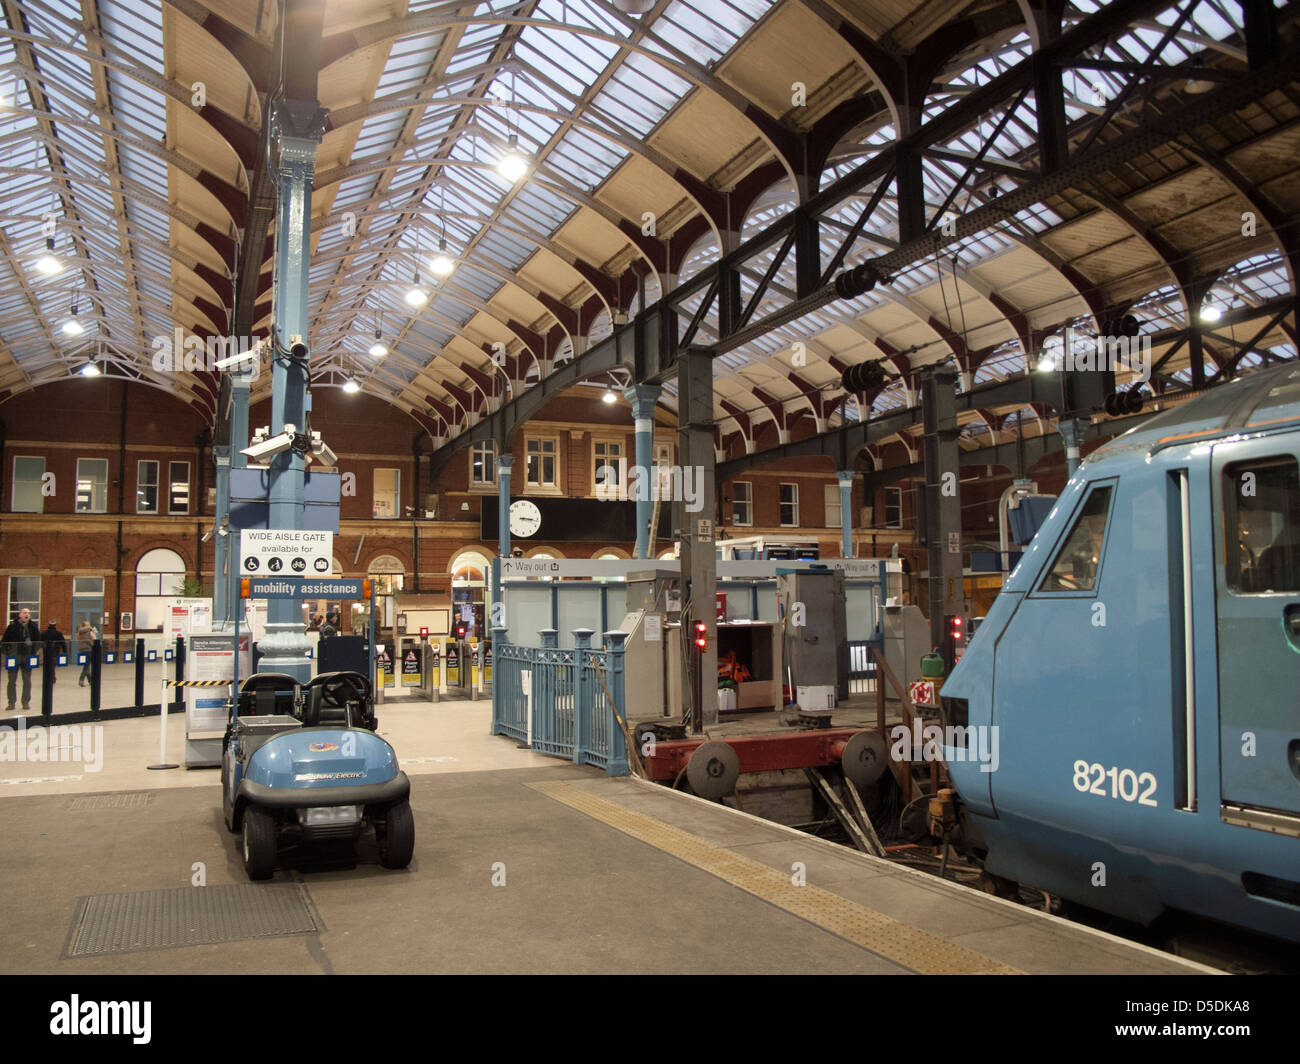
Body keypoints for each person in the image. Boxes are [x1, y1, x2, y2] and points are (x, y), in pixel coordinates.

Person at [3, 608, 41, 712]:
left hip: (27, 657)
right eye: (25, 613)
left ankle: (25, 702)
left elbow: (38, 641)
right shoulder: (12, 627)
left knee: (27, 681)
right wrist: (8, 653)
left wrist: (34, 652)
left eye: (28, 613)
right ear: (20, 614)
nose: (27, 615)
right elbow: (4, 642)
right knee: (11, 681)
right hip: (14, 657)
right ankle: (11, 703)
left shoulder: (33, 627)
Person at [75, 619, 95, 687]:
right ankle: (81, 680)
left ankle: (91, 680)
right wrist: (93, 646)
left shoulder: (79, 632)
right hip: (88, 650)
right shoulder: (89, 632)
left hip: (81, 650)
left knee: (86, 666)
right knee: (86, 667)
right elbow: (92, 640)